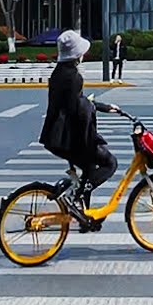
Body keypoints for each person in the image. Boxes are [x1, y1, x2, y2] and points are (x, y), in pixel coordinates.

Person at [39, 30, 118, 232]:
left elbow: (75, 102)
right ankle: (78, 202)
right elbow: (78, 112)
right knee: (109, 163)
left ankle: (83, 214)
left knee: (90, 168)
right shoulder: (74, 77)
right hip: (67, 136)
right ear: (77, 54)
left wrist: (100, 105)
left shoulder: (59, 72)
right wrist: (93, 138)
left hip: (55, 135)